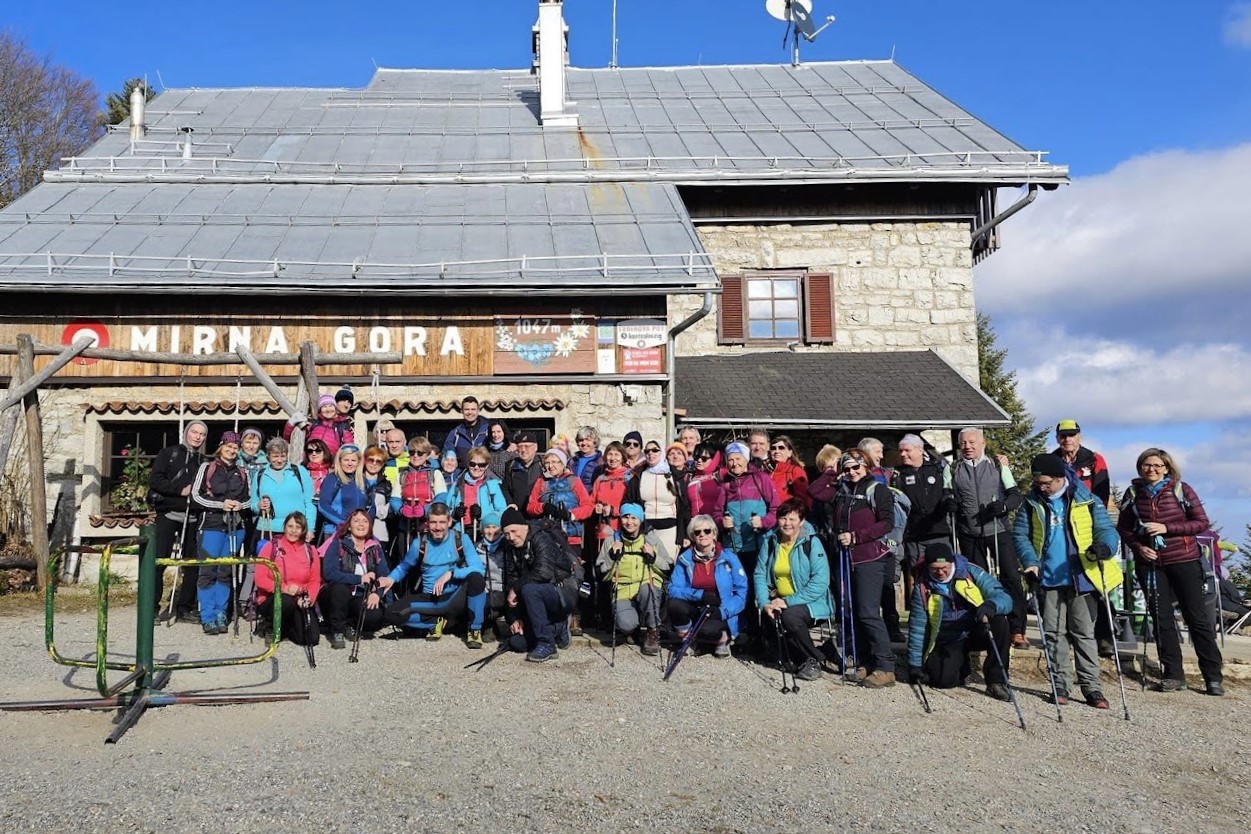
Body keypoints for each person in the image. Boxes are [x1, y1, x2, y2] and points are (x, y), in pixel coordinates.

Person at [1015, 453, 1120, 709]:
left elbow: (1106, 530)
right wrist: (1030, 561)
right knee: (1053, 634)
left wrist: (1105, 547)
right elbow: (1020, 535)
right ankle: (1060, 684)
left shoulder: (1088, 500)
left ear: (1061, 478)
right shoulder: (1030, 503)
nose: (1041, 486)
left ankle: (1092, 688)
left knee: (1084, 633)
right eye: (1038, 482)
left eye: (1046, 482)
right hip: (1048, 577)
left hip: (1081, 577)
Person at [1117, 448, 1224, 696]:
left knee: (1196, 618)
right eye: (1146, 465)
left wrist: (1166, 527)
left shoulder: (1181, 490)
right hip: (1151, 563)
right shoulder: (1133, 493)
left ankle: (1212, 677)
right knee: (1161, 620)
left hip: (1184, 560)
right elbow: (1124, 528)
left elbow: (1200, 523)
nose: (1151, 469)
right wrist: (1139, 548)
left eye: (1156, 465)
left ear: (1166, 468)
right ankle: (1173, 675)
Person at [950, 427, 1028, 648]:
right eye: (964, 443)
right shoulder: (954, 468)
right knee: (977, 581)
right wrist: (950, 503)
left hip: (998, 529)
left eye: (973, 442)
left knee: (1011, 577)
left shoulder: (997, 465)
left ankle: (1017, 629)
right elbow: (948, 494)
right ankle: (986, 626)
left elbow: (1015, 495)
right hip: (969, 533)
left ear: (983, 443)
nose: (968, 446)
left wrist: (1002, 506)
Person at [906, 542, 1014, 701]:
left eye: (945, 568)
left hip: (976, 628)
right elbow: (917, 627)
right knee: (941, 681)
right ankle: (961, 665)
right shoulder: (922, 586)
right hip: (949, 637)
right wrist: (914, 665)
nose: (941, 572)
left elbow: (1004, 597)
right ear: (928, 566)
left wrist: (992, 604)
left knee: (999, 622)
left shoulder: (970, 571)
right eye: (935, 569)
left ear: (952, 563)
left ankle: (996, 681)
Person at [829, 449, 897, 687]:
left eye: (856, 467)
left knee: (868, 612)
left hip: (870, 558)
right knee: (851, 612)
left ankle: (885, 666)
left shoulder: (878, 490)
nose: (852, 472)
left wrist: (857, 536)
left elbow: (888, 523)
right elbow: (816, 492)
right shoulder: (842, 491)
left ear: (866, 466)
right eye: (847, 469)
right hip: (845, 557)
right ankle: (864, 662)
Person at [378, 502, 486, 648]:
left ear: (449, 522)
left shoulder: (460, 539)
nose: (438, 527)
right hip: (432, 599)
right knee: (391, 614)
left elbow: (479, 569)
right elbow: (405, 566)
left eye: (442, 522)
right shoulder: (420, 544)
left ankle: (474, 630)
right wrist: (391, 578)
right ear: (428, 523)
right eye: (433, 522)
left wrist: (452, 573)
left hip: (454, 596)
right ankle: (436, 623)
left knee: (476, 578)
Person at [755, 498, 833, 681]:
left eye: (792, 519)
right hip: (779, 600)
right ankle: (815, 655)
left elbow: (821, 582)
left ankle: (815, 659)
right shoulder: (770, 542)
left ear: (802, 521)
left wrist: (788, 601)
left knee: (789, 616)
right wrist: (765, 603)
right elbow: (759, 574)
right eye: (783, 518)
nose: (787, 523)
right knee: (770, 620)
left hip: (812, 602)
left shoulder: (812, 543)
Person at [527, 447, 595, 633]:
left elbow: (588, 507)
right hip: (547, 536)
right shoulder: (540, 482)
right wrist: (543, 507)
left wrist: (570, 514)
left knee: (574, 575)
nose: (550, 466)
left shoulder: (574, 481)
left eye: (555, 462)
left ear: (563, 463)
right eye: (547, 462)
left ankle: (575, 614)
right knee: (550, 574)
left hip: (571, 535)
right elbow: (530, 506)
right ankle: (553, 615)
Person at [501, 507, 580, 663]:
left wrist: (515, 589)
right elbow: (510, 582)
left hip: (562, 591)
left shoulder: (541, 538)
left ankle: (547, 644)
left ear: (524, 526)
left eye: (514, 531)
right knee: (517, 642)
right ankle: (557, 628)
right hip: (536, 596)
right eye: (506, 534)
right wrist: (515, 618)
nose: (511, 537)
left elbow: (543, 573)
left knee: (529, 589)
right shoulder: (511, 548)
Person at [191, 430, 251, 634]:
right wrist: (220, 504)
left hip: (235, 528)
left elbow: (250, 499)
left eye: (235, 447)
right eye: (229, 446)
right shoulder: (206, 468)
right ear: (221, 446)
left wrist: (239, 506)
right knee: (208, 571)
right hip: (211, 526)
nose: (232, 450)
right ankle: (207, 615)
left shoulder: (243, 472)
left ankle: (220, 613)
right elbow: (195, 497)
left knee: (225, 572)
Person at [248, 437, 316, 609]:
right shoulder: (261, 474)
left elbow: (310, 503)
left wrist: (310, 527)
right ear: (268, 456)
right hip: (268, 529)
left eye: (282, 455)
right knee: (266, 569)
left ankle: (294, 602)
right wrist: (258, 505)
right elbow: (252, 503)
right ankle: (261, 603)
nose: (279, 460)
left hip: (295, 529)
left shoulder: (299, 472)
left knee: (292, 568)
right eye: (275, 456)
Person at [668, 515, 749, 658]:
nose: (702, 535)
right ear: (693, 536)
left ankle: (723, 639)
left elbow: (742, 592)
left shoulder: (729, 558)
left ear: (714, 534)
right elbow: (673, 589)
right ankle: (689, 640)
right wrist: (699, 595)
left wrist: (723, 612)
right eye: (697, 532)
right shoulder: (684, 559)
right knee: (674, 605)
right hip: (696, 604)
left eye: (707, 531)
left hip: (720, 608)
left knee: (707, 630)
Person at [891, 434, 954, 616]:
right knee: (918, 577)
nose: (903, 454)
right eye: (901, 450)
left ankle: (948, 613)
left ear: (920, 450)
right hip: (914, 536)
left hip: (939, 532)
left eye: (907, 450)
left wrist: (948, 503)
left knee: (943, 573)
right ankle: (921, 614)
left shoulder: (937, 469)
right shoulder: (898, 475)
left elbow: (947, 492)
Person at [596, 503, 669, 655]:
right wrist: (611, 557)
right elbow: (601, 575)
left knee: (646, 590)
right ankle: (633, 629)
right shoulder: (611, 541)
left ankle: (652, 632)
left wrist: (653, 558)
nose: (629, 522)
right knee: (625, 624)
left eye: (634, 518)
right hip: (623, 589)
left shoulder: (651, 540)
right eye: (625, 517)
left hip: (646, 585)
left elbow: (668, 569)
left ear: (641, 520)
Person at [720, 442, 778, 631]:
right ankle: (745, 632)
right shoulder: (725, 484)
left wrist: (763, 522)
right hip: (734, 546)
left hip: (759, 545)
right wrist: (722, 522)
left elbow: (777, 509)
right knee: (739, 589)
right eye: (730, 460)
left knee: (758, 589)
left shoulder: (761, 479)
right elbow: (715, 513)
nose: (734, 463)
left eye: (738, 459)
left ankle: (763, 634)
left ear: (746, 460)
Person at [318, 507, 389, 649]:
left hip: (360, 596)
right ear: (349, 526)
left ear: (369, 526)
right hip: (335, 596)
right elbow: (329, 573)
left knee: (375, 616)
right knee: (340, 589)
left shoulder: (374, 547)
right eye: (356, 521)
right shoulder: (338, 544)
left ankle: (349, 624)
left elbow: (384, 574)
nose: (361, 524)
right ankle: (337, 630)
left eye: (365, 521)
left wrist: (377, 593)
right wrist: (359, 579)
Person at [253, 511, 321, 646]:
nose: (293, 531)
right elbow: (260, 579)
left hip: (300, 598)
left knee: (311, 639)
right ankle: (270, 627)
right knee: (286, 600)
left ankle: (285, 628)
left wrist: (309, 599)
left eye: (298, 527)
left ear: (303, 530)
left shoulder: (311, 550)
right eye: (290, 526)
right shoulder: (270, 547)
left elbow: (315, 580)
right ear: (284, 527)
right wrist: (284, 588)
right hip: (273, 598)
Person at [625, 440, 689, 566]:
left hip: (670, 529)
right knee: (648, 565)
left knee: (668, 565)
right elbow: (630, 501)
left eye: (655, 450)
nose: (651, 453)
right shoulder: (638, 476)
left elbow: (684, 507)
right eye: (647, 451)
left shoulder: (674, 475)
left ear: (662, 453)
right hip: (646, 528)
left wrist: (685, 534)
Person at [395, 436, 447, 557]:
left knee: (426, 561)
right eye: (412, 452)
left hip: (427, 526)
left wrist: (425, 510)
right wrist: (401, 509)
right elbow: (395, 498)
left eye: (420, 453)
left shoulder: (435, 474)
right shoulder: (402, 474)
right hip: (406, 525)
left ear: (428, 455)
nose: (416, 456)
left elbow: (441, 499)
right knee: (405, 561)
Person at [444, 446, 508, 537]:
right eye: (472, 464)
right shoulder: (458, 484)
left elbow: (501, 510)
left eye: (481, 465)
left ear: (487, 466)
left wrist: (483, 513)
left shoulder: (493, 484)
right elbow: (447, 508)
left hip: (484, 531)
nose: (476, 468)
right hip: (460, 530)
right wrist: (455, 514)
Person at [1052, 420, 1110, 506]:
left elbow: (1102, 493)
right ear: (1057, 438)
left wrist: (1099, 514)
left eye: (1072, 435)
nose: (1067, 439)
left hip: (1087, 512)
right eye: (1063, 436)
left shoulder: (1095, 459)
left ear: (1079, 437)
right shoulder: (1050, 462)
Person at [319, 444, 368, 540]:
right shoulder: (333, 479)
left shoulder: (363, 481)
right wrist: (344, 523)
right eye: (346, 460)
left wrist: (365, 525)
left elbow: (370, 506)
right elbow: (323, 506)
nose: (350, 463)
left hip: (359, 532)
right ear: (340, 461)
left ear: (358, 462)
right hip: (336, 531)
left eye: (353, 460)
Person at [590, 440, 634, 545]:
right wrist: (596, 508)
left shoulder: (629, 478)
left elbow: (634, 505)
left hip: (624, 529)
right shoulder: (600, 479)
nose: (613, 458)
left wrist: (613, 510)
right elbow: (590, 502)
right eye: (610, 454)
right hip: (603, 530)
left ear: (623, 457)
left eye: (617, 455)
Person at [476, 511, 509, 639]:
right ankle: (488, 625)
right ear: (482, 530)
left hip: (504, 588)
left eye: (495, 527)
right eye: (487, 527)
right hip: (486, 589)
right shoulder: (477, 548)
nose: (491, 531)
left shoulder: (507, 546)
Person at [443, 395, 488, 469]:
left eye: (473, 409)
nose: (470, 412)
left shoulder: (488, 430)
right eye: (467, 409)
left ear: (478, 411)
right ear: (462, 411)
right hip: (462, 475)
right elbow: (447, 455)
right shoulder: (455, 433)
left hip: (484, 475)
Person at [361, 445, 393, 550]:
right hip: (359, 528)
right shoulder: (356, 481)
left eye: (378, 461)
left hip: (379, 531)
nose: (374, 464)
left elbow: (391, 506)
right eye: (371, 460)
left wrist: (380, 511)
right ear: (365, 460)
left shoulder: (386, 485)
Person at [767, 435, 811, 508]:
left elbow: (802, 499)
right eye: (773, 448)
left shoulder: (796, 471)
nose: (777, 451)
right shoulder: (766, 472)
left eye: (781, 448)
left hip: (787, 515)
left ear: (789, 453)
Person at [503, 430, 543, 509]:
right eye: (520, 446)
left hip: (539, 514)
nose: (523, 450)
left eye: (527, 446)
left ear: (535, 447)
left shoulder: (543, 465)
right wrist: (510, 503)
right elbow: (505, 488)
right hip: (518, 514)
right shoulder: (511, 466)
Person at [571, 426, 603, 495]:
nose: (584, 443)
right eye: (581, 440)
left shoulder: (601, 462)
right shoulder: (572, 461)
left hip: (591, 500)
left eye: (587, 440)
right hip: (573, 500)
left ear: (594, 442)